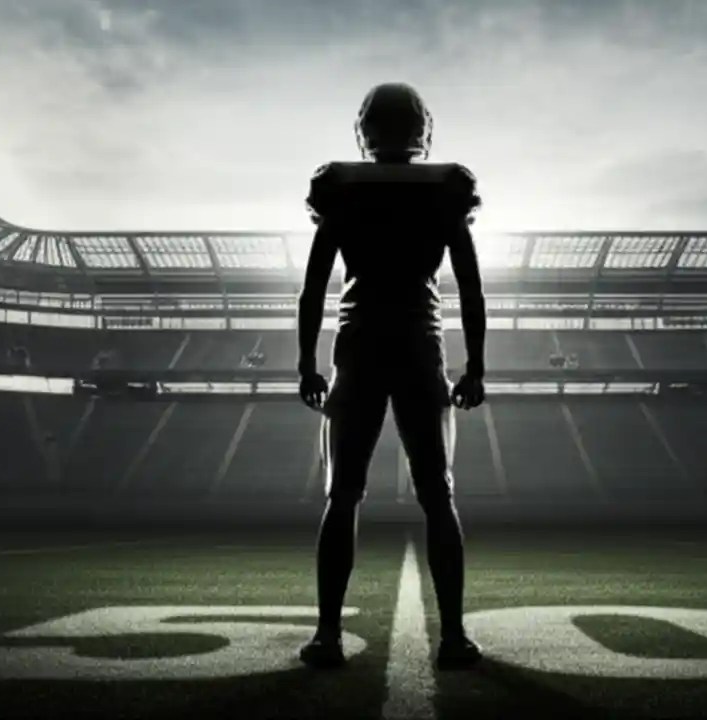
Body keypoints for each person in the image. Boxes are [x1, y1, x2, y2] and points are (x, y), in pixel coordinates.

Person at [295, 82, 487, 670]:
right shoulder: (446, 188)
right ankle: (452, 636)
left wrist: (306, 361)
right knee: (438, 494)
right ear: (422, 129)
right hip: (418, 342)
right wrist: (476, 363)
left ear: (365, 129)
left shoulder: (341, 188)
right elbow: (471, 288)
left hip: (358, 344)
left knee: (343, 493)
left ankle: (328, 634)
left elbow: (314, 288)